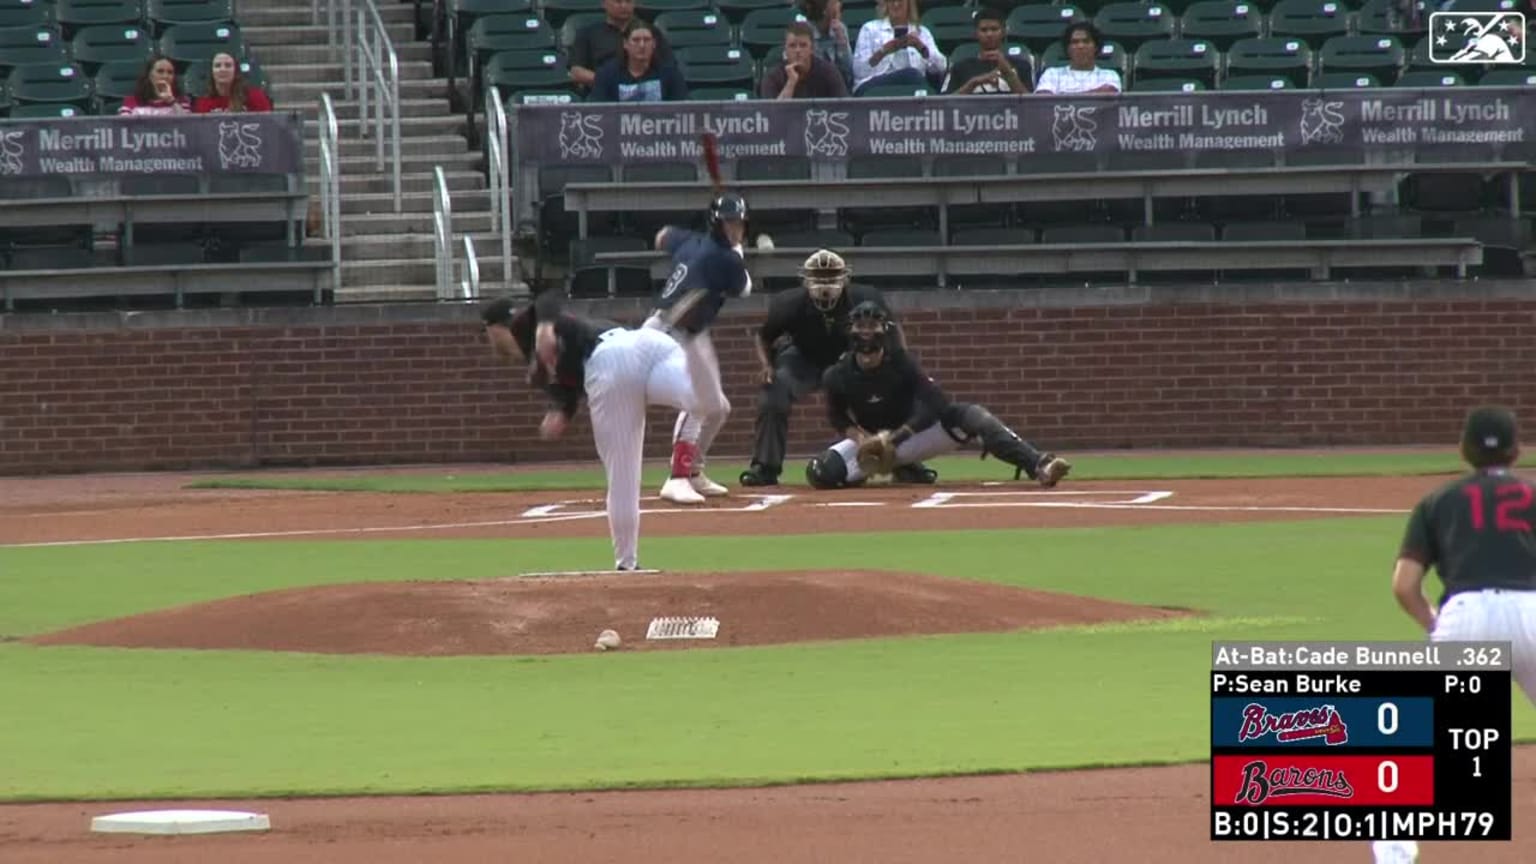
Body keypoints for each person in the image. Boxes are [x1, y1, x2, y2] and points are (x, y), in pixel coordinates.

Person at [481, 293, 704, 571]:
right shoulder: (536, 367)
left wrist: (544, 328)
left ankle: (628, 561)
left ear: (495, 327)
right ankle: (681, 474)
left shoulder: (523, 327)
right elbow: (568, 394)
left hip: (613, 359)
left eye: (488, 333)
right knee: (703, 399)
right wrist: (562, 413)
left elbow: (546, 300)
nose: (491, 342)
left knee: (623, 475)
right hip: (645, 345)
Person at [805, 301, 1072, 490]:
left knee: (973, 416)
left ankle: (1038, 464)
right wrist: (862, 439)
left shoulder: (902, 362)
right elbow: (837, 415)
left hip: (913, 433)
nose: (866, 338)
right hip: (871, 442)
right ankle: (899, 469)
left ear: (884, 335)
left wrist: (896, 438)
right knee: (821, 473)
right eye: (860, 327)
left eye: (872, 327)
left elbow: (936, 403)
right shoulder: (837, 374)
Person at [739, 249, 931, 487]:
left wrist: (900, 361)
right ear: (805, 279)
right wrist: (767, 365)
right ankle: (765, 467)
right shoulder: (788, 303)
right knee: (773, 394)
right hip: (803, 359)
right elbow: (764, 336)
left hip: (851, 358)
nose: (825, 285)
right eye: (819, 277)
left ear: (845, 278)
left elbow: (892, 329)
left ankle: (904, 461)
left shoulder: (864, 297)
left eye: (831, 276)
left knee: (889, 392)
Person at [1391, 405, 1536, 705]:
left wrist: (1436, 624)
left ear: (1463, 450)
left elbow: (1404, 586)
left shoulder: (1436, 502)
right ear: (1516, 451)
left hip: (1464, 616)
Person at [642, 193, 753, 505]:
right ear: (717, 224)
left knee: (718, 408)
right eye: (729, 223)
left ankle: (693, 471)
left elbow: (662, 236)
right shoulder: (726, 258)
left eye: (738, 223)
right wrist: (736, 251)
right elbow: (743, 289)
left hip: (688, 334)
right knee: (699, 400)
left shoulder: (691, 241)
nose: (735, 229)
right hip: (666, 335)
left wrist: (683, 243)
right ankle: (676, 478)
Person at [568, 0, 676, 92]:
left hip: (648, 92)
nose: (624, 6)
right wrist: (609, 83)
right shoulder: (588, 33)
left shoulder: (651, 32)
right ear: (604, 3)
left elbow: (669, 65)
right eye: (618, 1)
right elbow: (576, 71)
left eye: (628, 1)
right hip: (604, 94)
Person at [850, 0, 947, 95]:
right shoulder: (869, 28)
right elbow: (859, 71)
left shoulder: (921, 32)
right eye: (891, 1)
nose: (896, 4)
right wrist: (883, 51)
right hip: (872, 87)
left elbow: (941, 67)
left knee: (915, 79)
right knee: (912, 75)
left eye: (900, 1)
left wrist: (921, 47)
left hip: (910, 88)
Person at [588, 20, 688, 103]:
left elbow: (683, 109)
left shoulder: (670, 73)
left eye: (647, 40)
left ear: (654, 44)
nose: (642, 45)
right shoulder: (606, 74)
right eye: (636, 40)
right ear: (625, 44)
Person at [943, 8, 1029, 95]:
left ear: (1004, 32)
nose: (989, 34)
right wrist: (973, 83)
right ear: (975, 34)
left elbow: (1032, 103)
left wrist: (1008, 73)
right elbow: (945, 104)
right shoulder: (960, 67)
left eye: (994, 29)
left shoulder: (1021, 65)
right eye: (984, 30)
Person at [760, 21, 850, 100]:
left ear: (812, 48)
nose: (798, 51)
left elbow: (845, 109)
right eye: (792, 46)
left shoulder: (829, 72)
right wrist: (791, 82)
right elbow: (772, 114)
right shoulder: (773, 76)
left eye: (803, 45)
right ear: (785, 50)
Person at [1033, 22, 1121, 94]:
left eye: (1086, 41)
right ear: (1068, 48)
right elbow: (1043, 101)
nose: (1080, 46)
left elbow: (1109, 94)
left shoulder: (1109, 75)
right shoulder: (1052, 74)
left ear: (1096, 47)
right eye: (1075, 42)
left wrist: (1065, 97)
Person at [798, 0, 854, 91]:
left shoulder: (840, 29)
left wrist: (841, 41)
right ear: (825, 9)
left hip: (837, 87)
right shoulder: (804, 31)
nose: (839, 4)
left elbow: (848, 70)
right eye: (834, 2)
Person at [192, 52, 273, 114]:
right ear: (212, 72)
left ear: (236, 71)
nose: (222, 69)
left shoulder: (255, 97)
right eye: (217, 65)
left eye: (228, 65)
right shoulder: (203, 103)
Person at [119, 55, 190, 115]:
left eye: (170, 72)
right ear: (150, 75)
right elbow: (123, 128)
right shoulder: (131, 101)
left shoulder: (181, 101)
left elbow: (188, 125)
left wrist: (171, 101)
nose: (165, 76)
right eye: (160, 71)